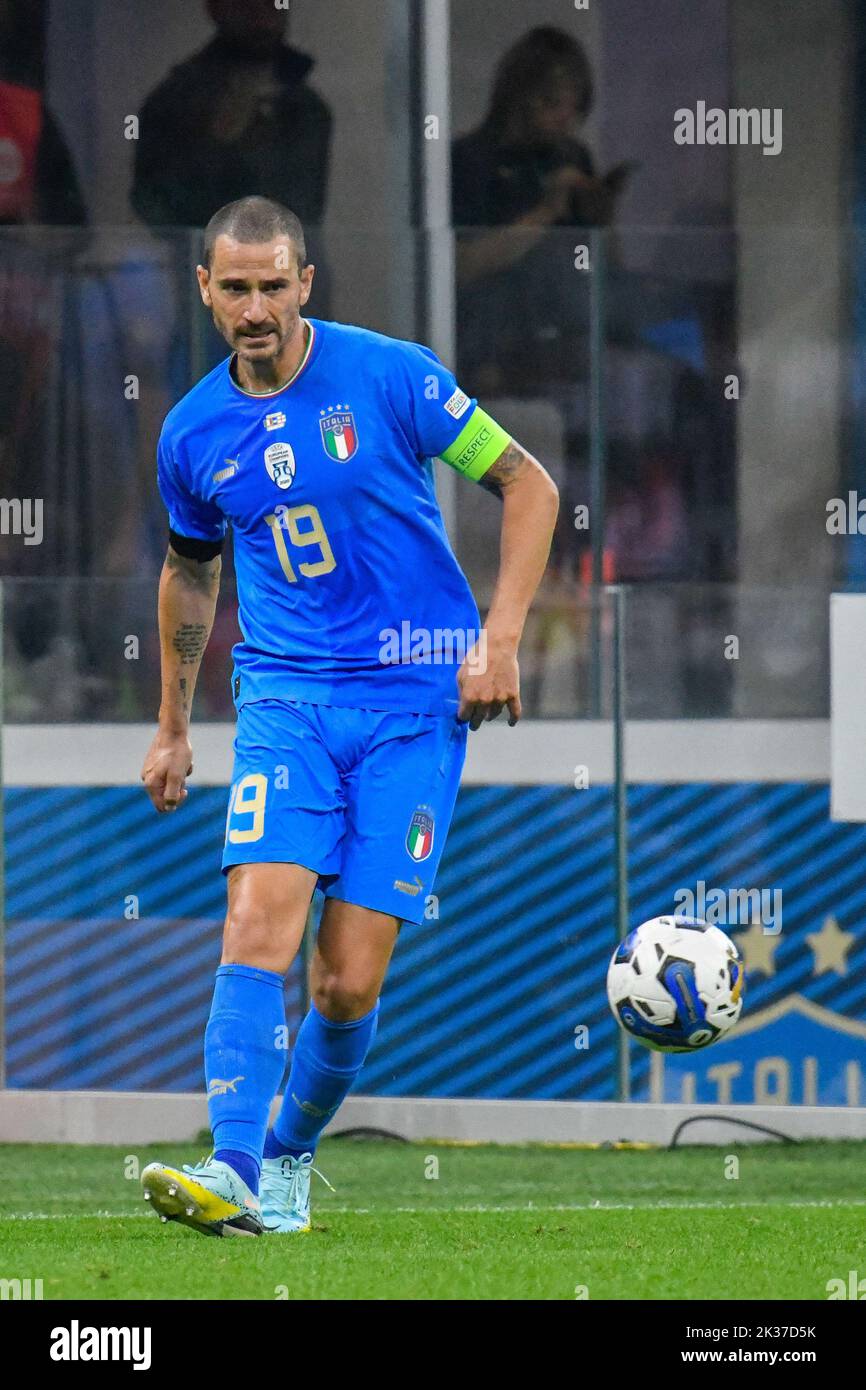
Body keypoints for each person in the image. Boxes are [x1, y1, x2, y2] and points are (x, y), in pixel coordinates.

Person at [139, 196, 559, 1237]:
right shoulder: (192, 431)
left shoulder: (391, 377)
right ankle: (233, 1169)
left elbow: (527, 483)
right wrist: (174, 724)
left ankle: (286, 1156)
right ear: (205, 289)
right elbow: (189, 576)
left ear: (305, 283)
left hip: (414, 703)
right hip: (285, 699)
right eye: (233, 287)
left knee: (342, 983)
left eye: (271, 284)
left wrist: (498, 638)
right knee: (254, 918)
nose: (253, 307)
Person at [451, 26, 633, 396]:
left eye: (574, 106)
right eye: (552, 102)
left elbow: (609, 272)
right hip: (491, 352)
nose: (565, 118)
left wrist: (601, 220)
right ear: (519, 96)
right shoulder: (472, 161)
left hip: (567, 346)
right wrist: (546, 211)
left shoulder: (572, 157)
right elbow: (462, 266)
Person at [130, 0, 331, 231]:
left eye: (275, 4)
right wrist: (216, 143)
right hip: (206, 258)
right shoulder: (174, 103)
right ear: (216, 8)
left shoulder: (307, 108)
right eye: (248, 6)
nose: (264, 19)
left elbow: (304, 212)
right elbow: (156, 208)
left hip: (282, 258)